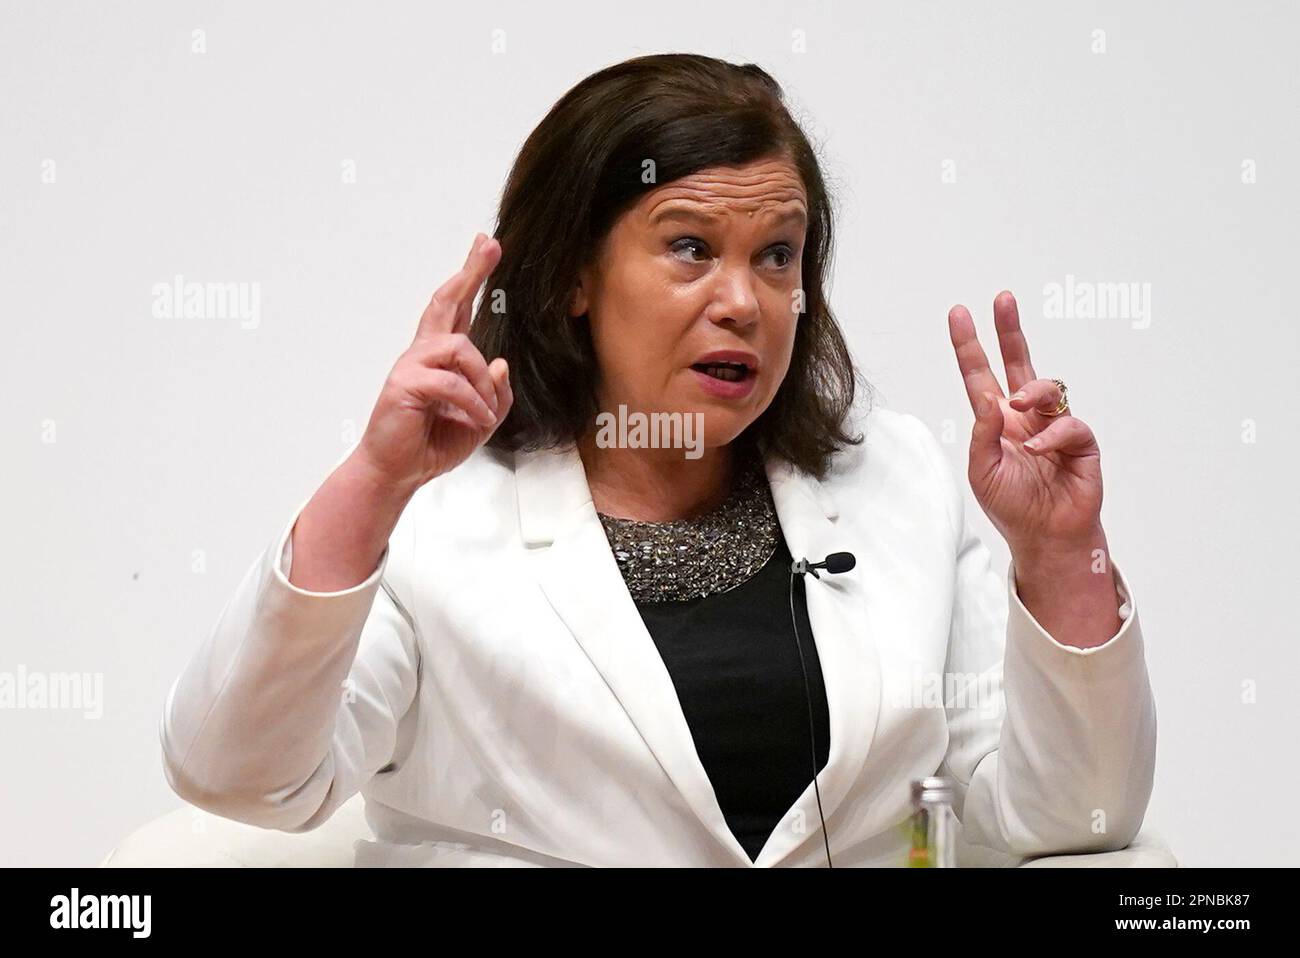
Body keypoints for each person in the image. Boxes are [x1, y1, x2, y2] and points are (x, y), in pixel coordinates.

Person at [159, 53, 1155, 867]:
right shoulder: (432, 518)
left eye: (777, 254)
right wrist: (370, 486)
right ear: (573, 278)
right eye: (688, 247)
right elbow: (241, 774)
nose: (744, 300)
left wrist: (1063, 554)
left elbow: (1066, 817)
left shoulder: (895, 477)